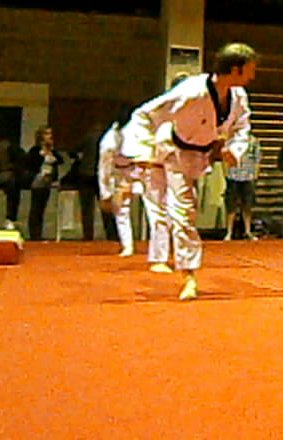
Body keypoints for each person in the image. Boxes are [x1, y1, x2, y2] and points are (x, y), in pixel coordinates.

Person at [122, 42, 257, 300]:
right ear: (236, 69)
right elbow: (143, 114)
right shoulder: (191, 91)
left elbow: (242, 127)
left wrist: (233, 149)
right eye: (250, 70)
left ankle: (180, 265)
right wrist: (140, 151)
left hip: (203, 153)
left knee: (187, 210)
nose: (253, 76)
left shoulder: (238, 96)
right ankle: (189, 276)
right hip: (174, 152)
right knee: (183, 213)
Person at [98, 104, 151, 257]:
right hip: (119, 173)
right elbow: (104, 168)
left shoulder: (139, 129)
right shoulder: (109, 141)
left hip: (141, 168)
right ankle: (127, 245)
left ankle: (160, 244)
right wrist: (106, 193)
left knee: (153, 206)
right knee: (121, 209)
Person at [67, 121, 120, 243]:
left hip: (85, 173)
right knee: (106, 206)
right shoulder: (107, 139)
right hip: (100, 174)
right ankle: (111, 235)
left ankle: (88, 235)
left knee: (86, 207)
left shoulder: (87, 138)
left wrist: (80, 157)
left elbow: (72, 152)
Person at [24, 126, 67, 241]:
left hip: (48, 181)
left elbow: (60, 160)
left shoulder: (53, 152)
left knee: (42, 208)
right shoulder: (35, 150)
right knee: (36, 208)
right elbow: (31, 163)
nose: (50, 136)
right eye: (47, 134)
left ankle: (39, 233)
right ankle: (34, 234)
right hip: (38, 180)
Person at [225, 135, 262, 241]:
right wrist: (226, 174)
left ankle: (248, 231)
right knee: (231, 206)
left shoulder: (253, 140)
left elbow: (257, 159)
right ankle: (229, 232)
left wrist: (255, 175)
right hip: (233, 175)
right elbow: (226, 157)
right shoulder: (231, 139)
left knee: (248, 206)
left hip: (248, 176)